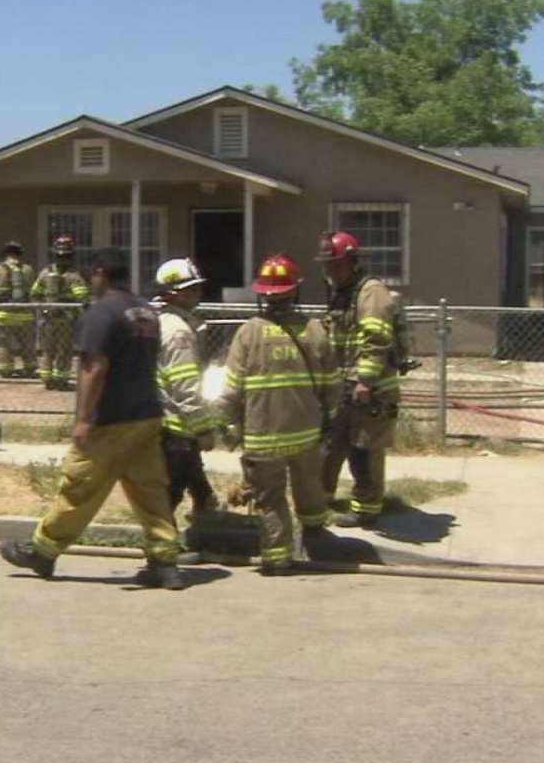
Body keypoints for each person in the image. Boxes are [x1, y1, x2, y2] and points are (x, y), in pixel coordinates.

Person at [0, 247, 189, 590]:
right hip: (146, 416)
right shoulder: (146, 311)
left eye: (92, 276)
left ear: (100, 273)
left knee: (80, 487)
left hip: (111, 419)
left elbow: (93, 368)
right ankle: (165, 562)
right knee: (151, 492)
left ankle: (42, 551)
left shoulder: (101, 313)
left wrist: (83, 420)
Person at [218, 252, 341, 575]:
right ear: (295, 291)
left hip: (264, 436)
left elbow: (232, 387)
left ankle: (277, 558)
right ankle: (315, 534)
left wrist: (226, 423)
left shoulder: (248, 333)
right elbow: (332, 386)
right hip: (306, 434)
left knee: (269, 498)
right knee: (309, 485)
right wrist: (328, 417)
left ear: (262, 295)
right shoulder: (315, 331)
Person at [316, 230, 400, 528]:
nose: (330, 271)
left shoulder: (370, 292)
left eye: (336, 265)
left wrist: (365, 380)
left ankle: (367, 507)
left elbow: (376, 338)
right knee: (329, 444)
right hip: (343, 385)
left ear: (352, 261)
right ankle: (319, 499)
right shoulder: (342, 292)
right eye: (327, 266)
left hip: (371, 389)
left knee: (363, 449)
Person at [151, 257, 222, 522]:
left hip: (169, 425)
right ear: (174, 294)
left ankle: (206, 510)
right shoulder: (178, 333)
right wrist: (203, 429)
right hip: (177, 428)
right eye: (192, 289)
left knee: (193, 475)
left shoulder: (164, 323)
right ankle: (162, 547)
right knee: (171, 490)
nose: (199, 293)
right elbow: (186, 387)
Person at [31, 235, 90, 391]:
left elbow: (35, 294)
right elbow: (83, 299)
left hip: (47, 320)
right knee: (64, 351)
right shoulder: (74, 276)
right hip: (66, 321)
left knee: (47, 351)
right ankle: (61, 380)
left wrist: (42, 309)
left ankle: (47, 379)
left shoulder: (44, 273)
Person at [0, 241, 36, 378]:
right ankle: (30, 368)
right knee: (27, 343)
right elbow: (33, 288)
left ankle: (6, 370)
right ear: (20, 254)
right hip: (24, 314)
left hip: (3, 314)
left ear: (4, 254)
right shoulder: (28, 269)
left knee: (4, 345)